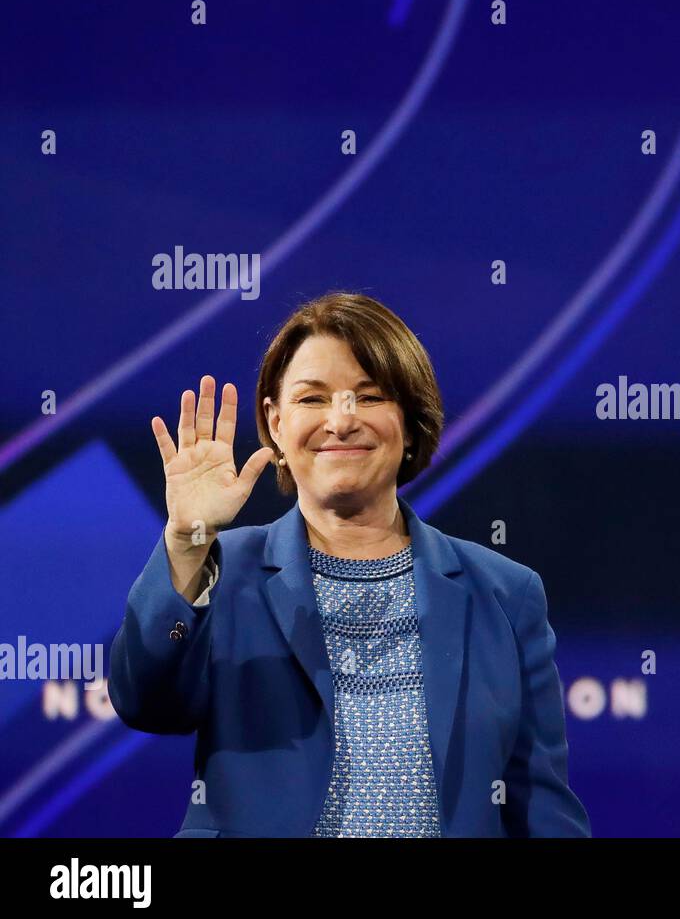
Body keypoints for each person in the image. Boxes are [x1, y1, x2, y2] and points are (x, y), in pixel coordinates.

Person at [108, 292, 591, 837]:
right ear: (275, 421)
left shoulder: (506, 593)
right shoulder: (225, 571)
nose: (341, 421)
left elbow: (544, 810)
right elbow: (145, 703)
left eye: (370, 396)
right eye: (312, 399)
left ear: (408, 423)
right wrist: (187, 541)